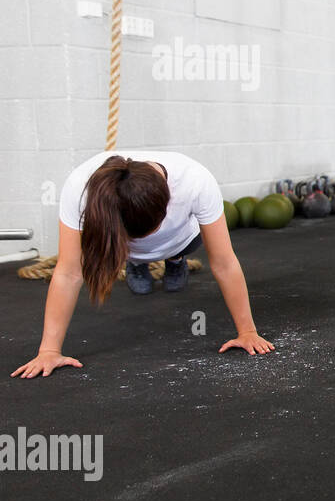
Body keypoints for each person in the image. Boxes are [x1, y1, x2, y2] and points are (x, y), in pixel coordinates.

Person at [11, 152, 274, 379]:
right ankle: (136, 260)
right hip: (121, 248)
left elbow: (224, 262)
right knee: (135, 276)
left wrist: (247, 331)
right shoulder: (80, 188)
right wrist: (49, 351)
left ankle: (174, 259)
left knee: (180, 253)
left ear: (167, 203)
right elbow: (68, 272)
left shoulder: (195, 181)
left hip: (180, 239)